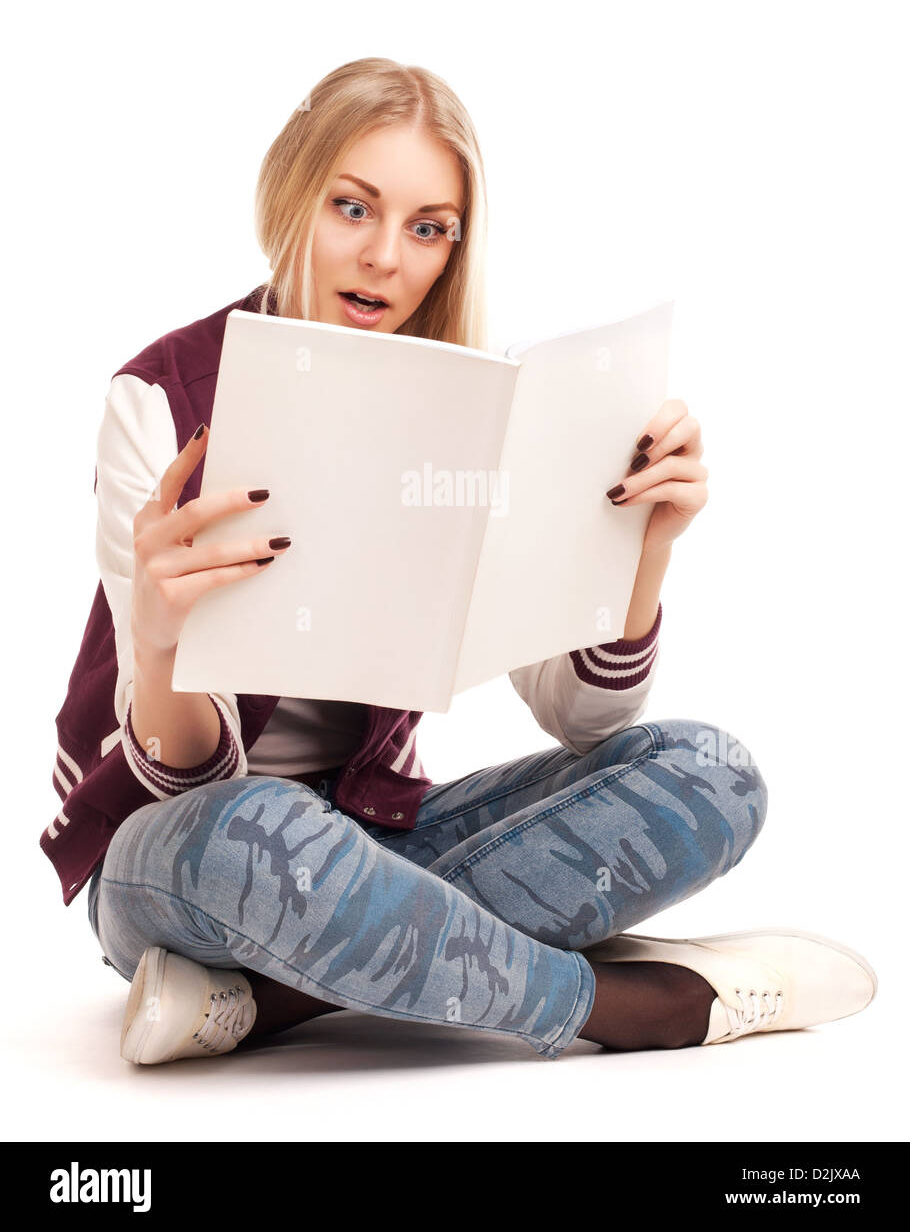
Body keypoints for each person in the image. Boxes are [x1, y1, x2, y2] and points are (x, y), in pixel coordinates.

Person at [46, 57, 877, 1064]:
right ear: (293, 195)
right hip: (177, 857)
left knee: (711, 773)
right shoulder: (161, 399)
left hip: (380, 839)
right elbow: (187, 792)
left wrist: (641, 556)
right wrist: (168, 645)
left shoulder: (477, 409)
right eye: (353, 208)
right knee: (254, 825)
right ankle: (615, 1004)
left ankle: (274, 1001)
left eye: (428, 226)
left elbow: (582, 718)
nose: (387, 257)